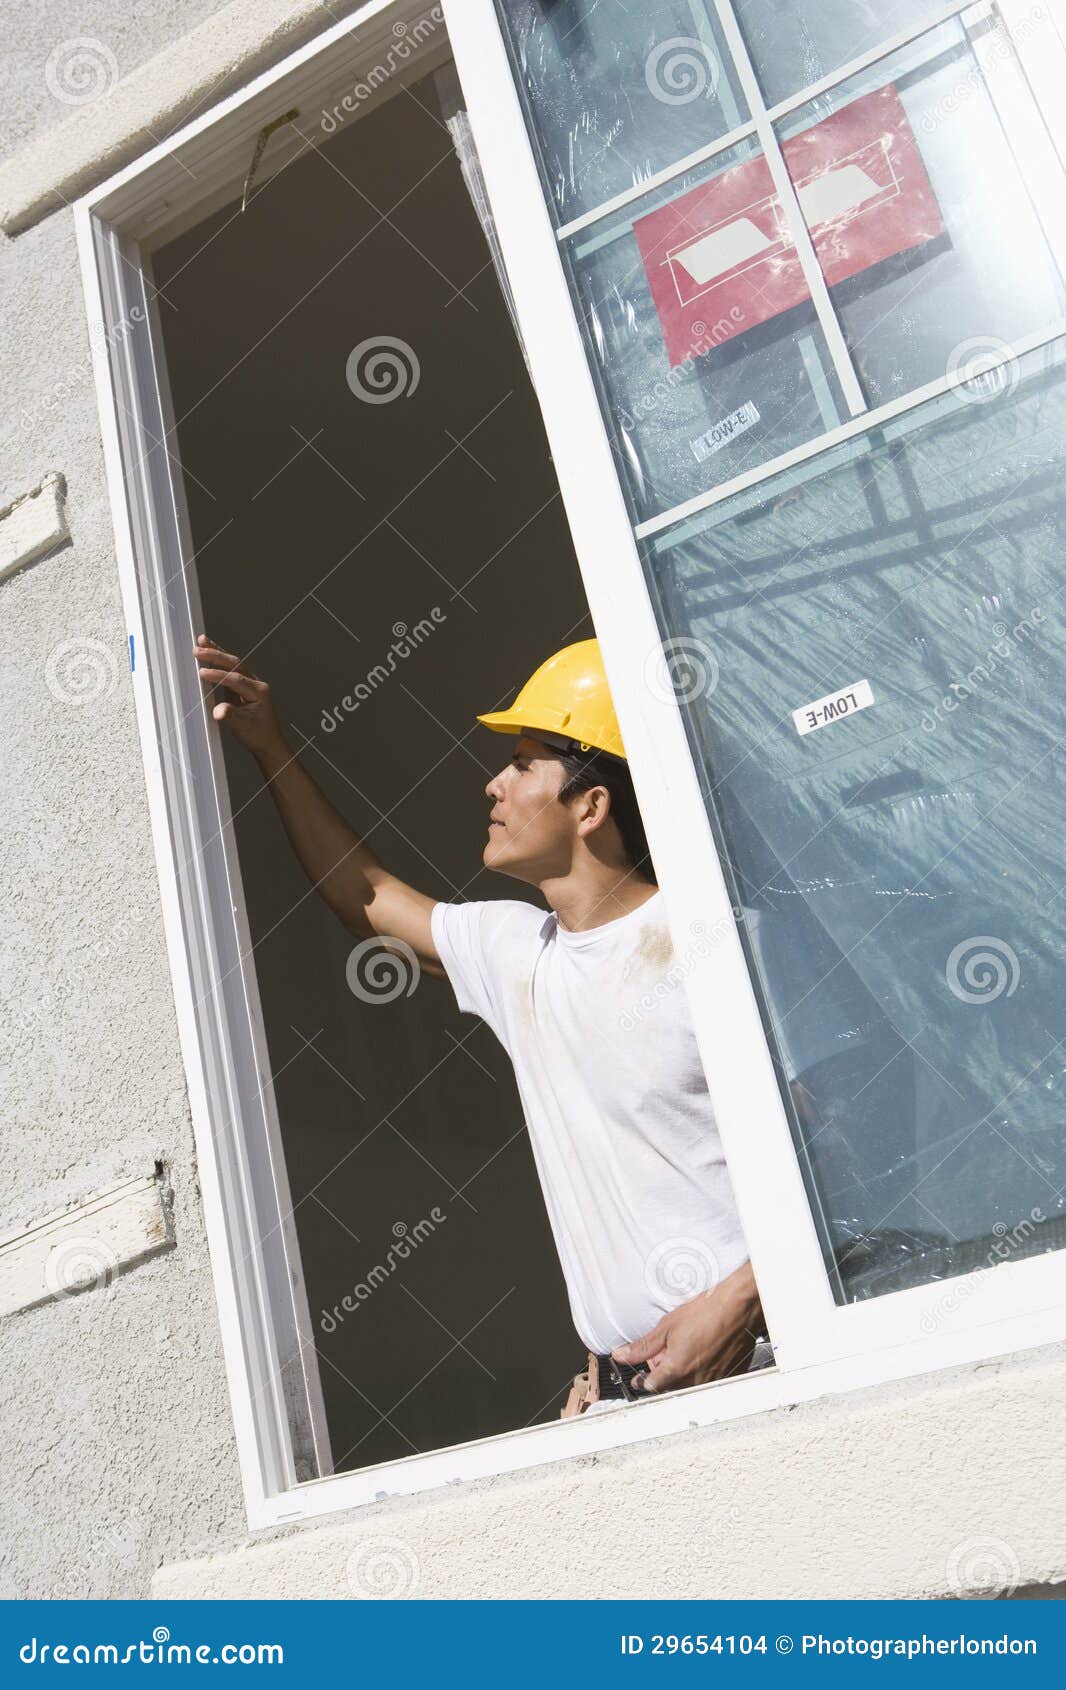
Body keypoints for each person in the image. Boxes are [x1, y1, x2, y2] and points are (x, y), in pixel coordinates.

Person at [194, 632, 769, 1414]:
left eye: (524, 764)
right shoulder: (517, 950)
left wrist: (744, 1301)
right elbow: (368, 897)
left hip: (759, 1369)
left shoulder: (719, 944)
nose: (493, 784)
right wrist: (269, 746)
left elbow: (854, 1163)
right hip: (625, 1399)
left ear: (591, 806)